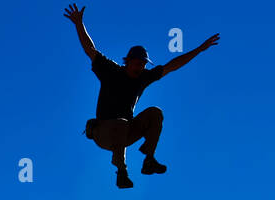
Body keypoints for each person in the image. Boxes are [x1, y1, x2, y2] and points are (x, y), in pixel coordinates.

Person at [63, 4, 219, 188]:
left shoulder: (143, 78)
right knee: (121, 122)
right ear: (127, 61)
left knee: (155, 112)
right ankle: (121, 172)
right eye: (137, 64)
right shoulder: (111, 70)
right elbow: (90, 49)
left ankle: (149, 160)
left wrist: (199, 49)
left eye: (143, 65)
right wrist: (79, 24)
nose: (140, 68)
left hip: (126, 133)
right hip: (104, 133)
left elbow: (171, 66)